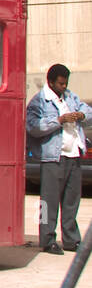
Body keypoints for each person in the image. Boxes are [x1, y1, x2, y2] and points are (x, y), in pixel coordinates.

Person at [25, 63, 87, 254]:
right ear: (50, 82)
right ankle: (47, 239)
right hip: (52, 158)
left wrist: (81, 115)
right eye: (60, 83)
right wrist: (59, 120)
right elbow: (33, 127)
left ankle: (71, 239)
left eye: (65, 83)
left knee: (71, 200)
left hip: (73, 155)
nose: (63, 87)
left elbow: (88, 110)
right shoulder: (40, 101)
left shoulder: (70, 97)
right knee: (47, 202)